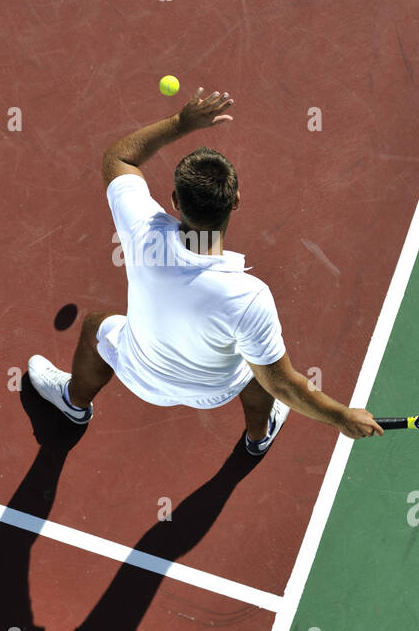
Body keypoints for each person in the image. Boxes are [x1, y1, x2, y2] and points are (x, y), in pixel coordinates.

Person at [28, 87, 382, 455]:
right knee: (261, 367)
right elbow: (286, 386)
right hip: (214, 392)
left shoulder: (144, 232)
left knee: (95, 327)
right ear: (237, 201)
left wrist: (181, 123)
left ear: (176, 201)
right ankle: (258, 437)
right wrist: (341, 417)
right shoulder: (251, 296)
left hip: (140, 373)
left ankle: (74, 402)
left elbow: (119, 158)